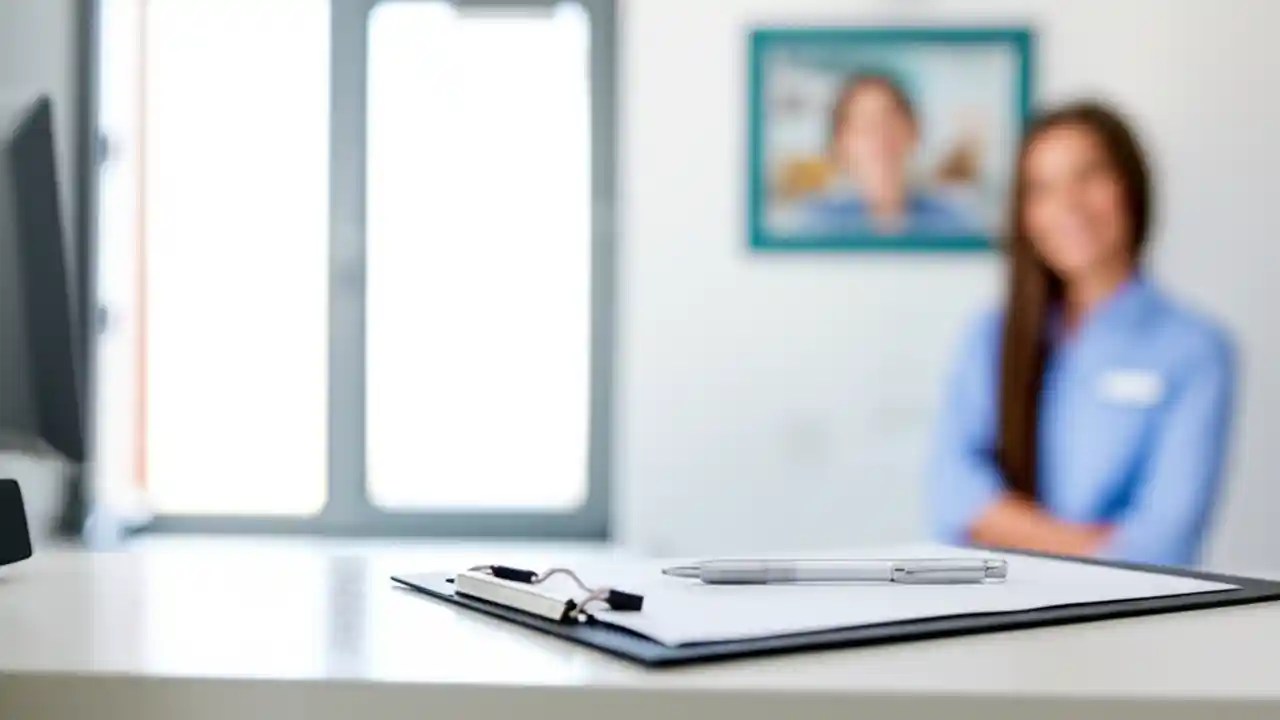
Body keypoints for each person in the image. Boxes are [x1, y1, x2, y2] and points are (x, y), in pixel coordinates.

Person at [929, 102, 1235, 566]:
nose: (1068, 205)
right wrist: (1092, 543)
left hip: (1129, 621)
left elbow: (1164, 543)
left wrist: (1007, 527)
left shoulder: (1196, 349)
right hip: (996, 619)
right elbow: (950, 493)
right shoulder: (989, 338)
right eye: (1043, 188)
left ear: (1130, 186)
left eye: (1087, 176)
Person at [803, 73, 975, 236]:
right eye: (864, 126)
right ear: (840, 142)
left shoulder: (953, 223)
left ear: (913, 130)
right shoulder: (815, 225)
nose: (879, 137)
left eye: (889, 121)